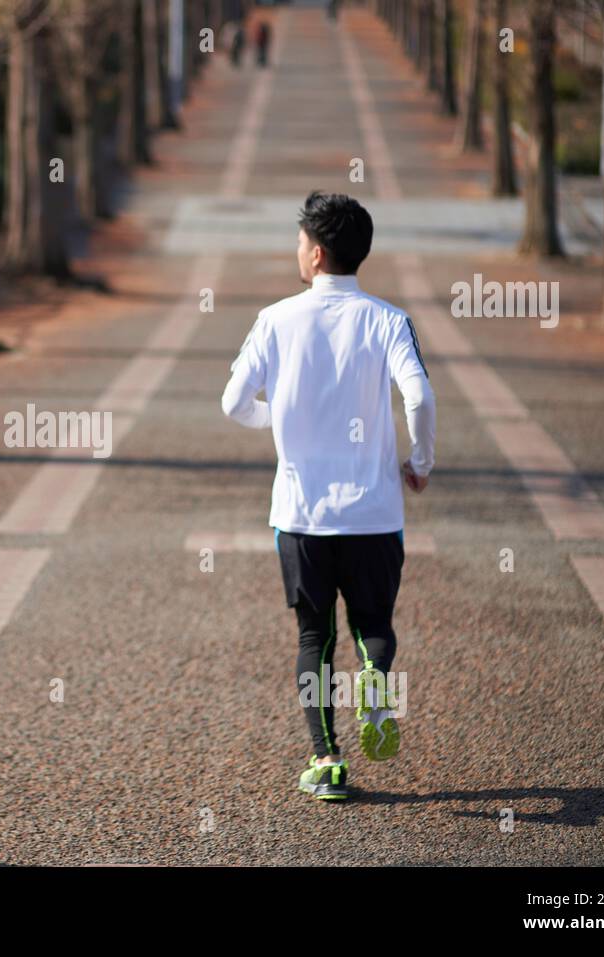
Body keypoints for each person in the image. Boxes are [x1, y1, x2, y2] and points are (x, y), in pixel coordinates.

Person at [221, 192, 436, 801]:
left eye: (297, 242)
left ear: (315, 253)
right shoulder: (389, 320)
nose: (295, 251)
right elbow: (418, 397)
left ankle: (328, 761)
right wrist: (419, 463)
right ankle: (375, 677)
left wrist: (280, 423)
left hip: (301, 513)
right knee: (374, 622)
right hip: (374, 512)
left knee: (314, 636)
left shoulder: (275, 319)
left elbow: (234, 403)